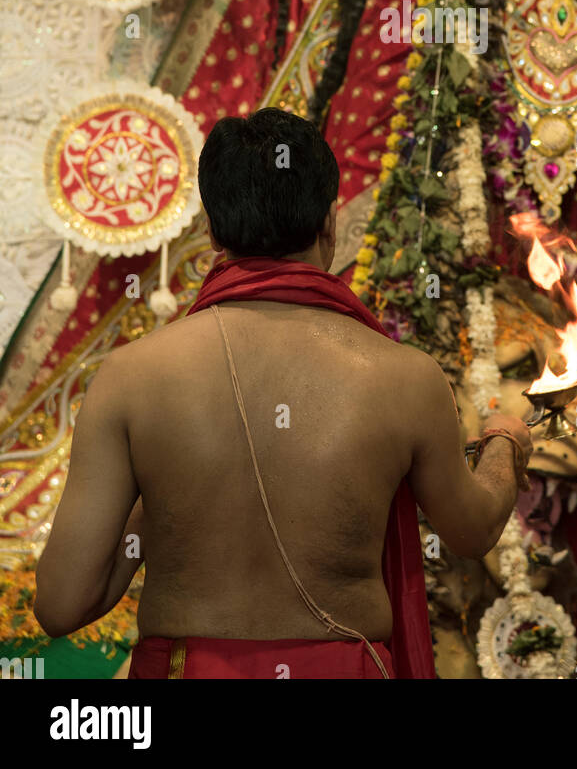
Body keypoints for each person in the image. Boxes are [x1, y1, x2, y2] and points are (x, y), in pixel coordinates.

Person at [33, 108, 532, 679]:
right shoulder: (405, 377)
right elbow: (470, 531)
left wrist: (160, 503)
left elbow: (61, 602)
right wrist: (503, 442)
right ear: (329, 223)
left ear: (214, 231)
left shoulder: (132, 376)